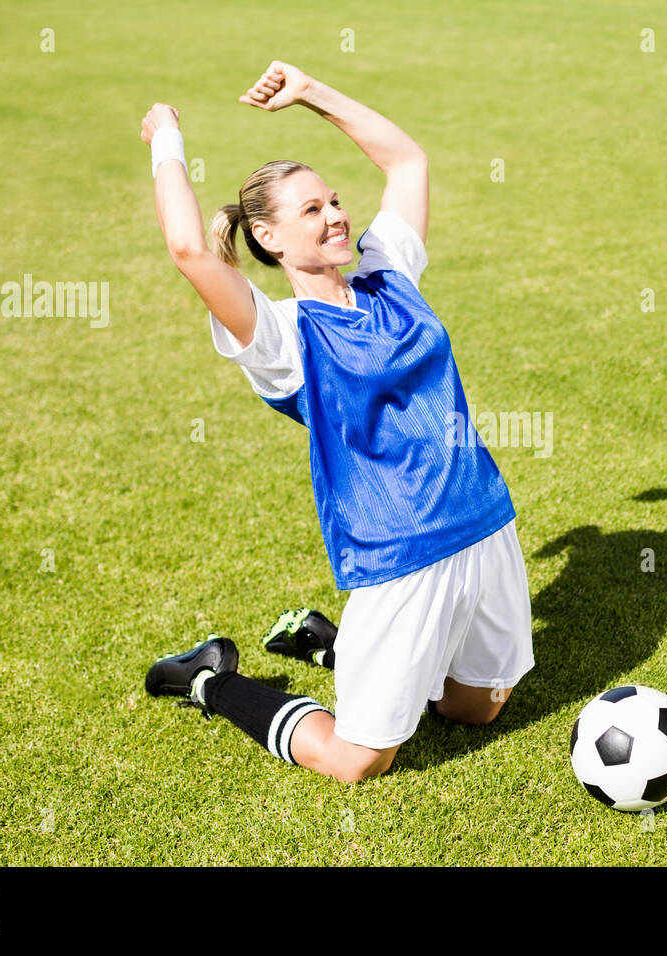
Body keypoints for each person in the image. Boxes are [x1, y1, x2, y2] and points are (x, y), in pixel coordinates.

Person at [139, 61, 533, 783]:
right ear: (269, 237)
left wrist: (311, 93)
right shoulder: (279, 337)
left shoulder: (390, 275)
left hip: (485, 521)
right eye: (312, 210)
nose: (336, 216)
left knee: (476, 710)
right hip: (399, 552)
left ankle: (331, 645)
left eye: (335, 200)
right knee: (360, 761)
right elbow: (190, 250)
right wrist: (167, 137)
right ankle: (207, 680)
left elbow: (406, 158)